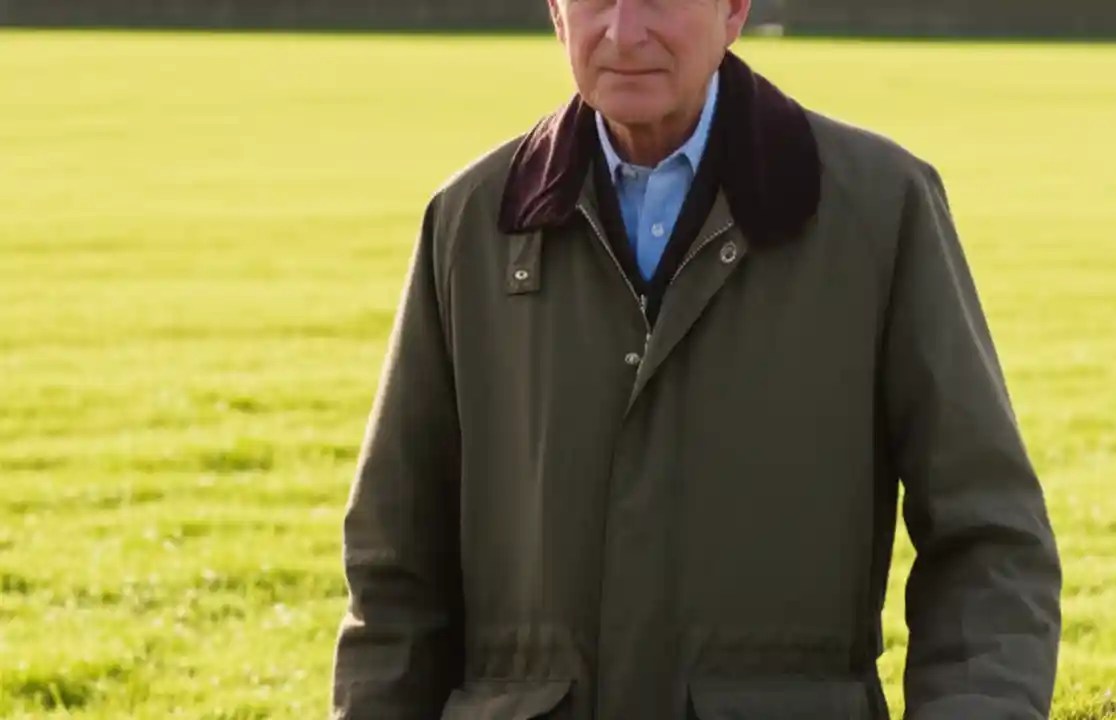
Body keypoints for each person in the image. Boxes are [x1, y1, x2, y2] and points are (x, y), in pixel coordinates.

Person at [332, 0, 1062, 717]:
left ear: (735, 9)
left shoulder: (879, 207)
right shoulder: (468, 223)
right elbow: (396, 573)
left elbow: (988, 539)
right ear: (556, 12)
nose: (623, 30)